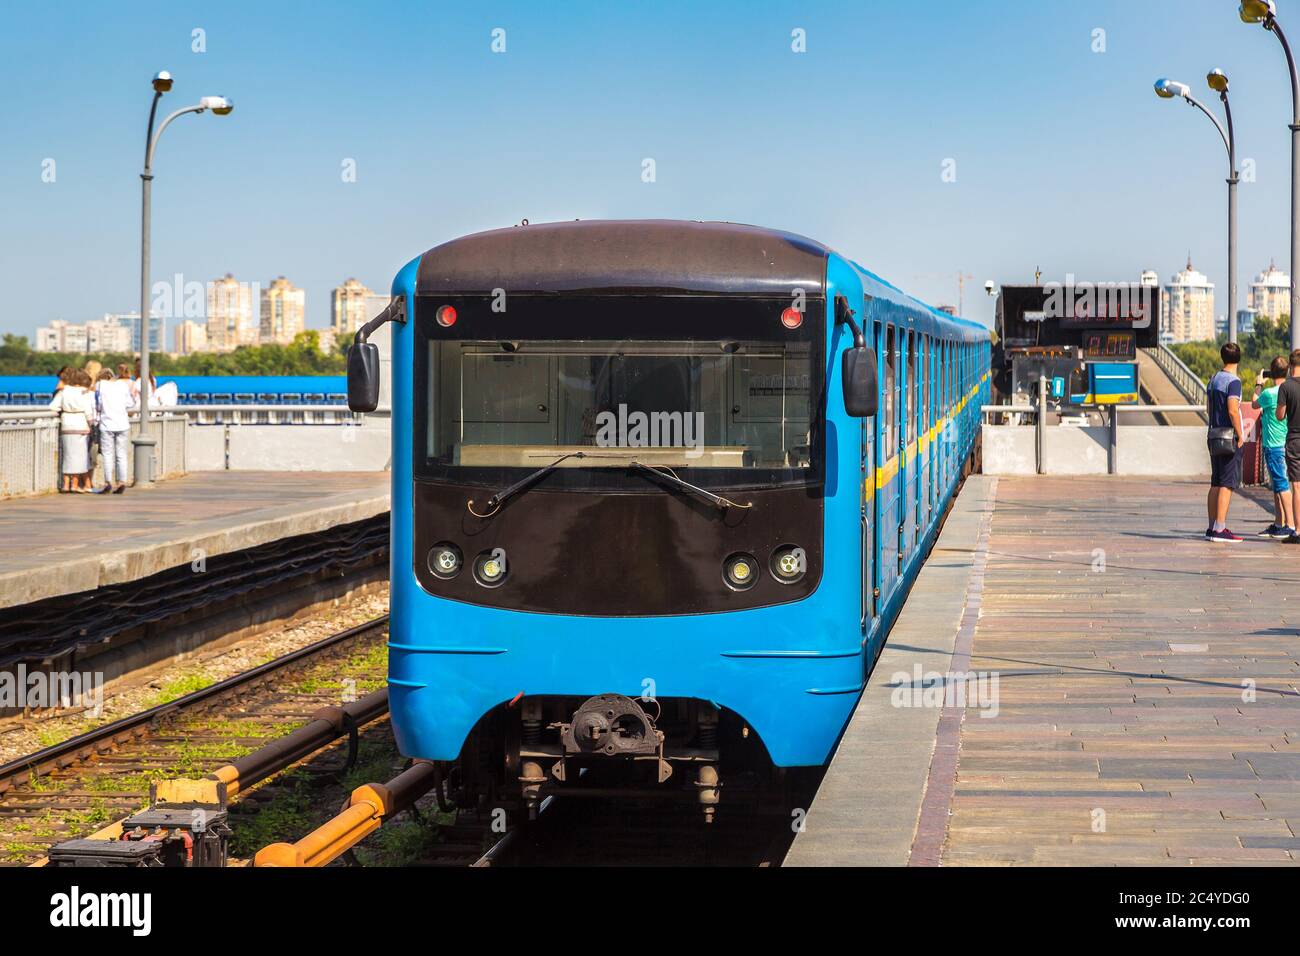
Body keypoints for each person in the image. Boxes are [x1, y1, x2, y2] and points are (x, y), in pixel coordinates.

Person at [1206, 342, 1246, 543]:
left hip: (1213, 435)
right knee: (1227, 482)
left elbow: (1208, 409)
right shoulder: (1234, 382)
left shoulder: (1213, 379)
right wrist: (1241, 434)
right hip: (1229, 437)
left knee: (1216, 482)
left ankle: (1212, 526)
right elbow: (1232, 410)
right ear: (1238, 358)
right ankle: (1220, 528)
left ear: (1223, 357)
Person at [1252, 357, 1295, 538]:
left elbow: (1254, 403)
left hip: (1273, 445)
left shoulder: (1269, 394)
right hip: (1286, 442)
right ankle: (1279, 523)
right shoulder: (1290, 390)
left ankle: (1290, 525)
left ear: (1271, 371)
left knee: (1282, 485)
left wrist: (1258, 384)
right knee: (1278, 485)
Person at [47, 368, 94, 493]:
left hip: (67, 425)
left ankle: (66, 484)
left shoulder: (64, 391)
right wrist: (92, 424)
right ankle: (75, 484)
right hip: (81, 425)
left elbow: (52, 407)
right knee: (80, 457)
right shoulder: (84, 392)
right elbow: (88, 412)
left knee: (68, 456)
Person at [1275, 350, 1300, 545]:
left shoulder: (1286, 386)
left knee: (1297, 486)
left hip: (1294, 440)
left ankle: (1298, 531)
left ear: (1290, 366)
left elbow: (1280, 415)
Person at [94, 368, 132, 494]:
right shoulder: (123, 384)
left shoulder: (99, 385)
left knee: (108, 454)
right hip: (122, 423)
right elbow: (130, 403)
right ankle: (122, 481)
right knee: (121, 454)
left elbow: (98, 405)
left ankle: (108, 482)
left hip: (107, 424)